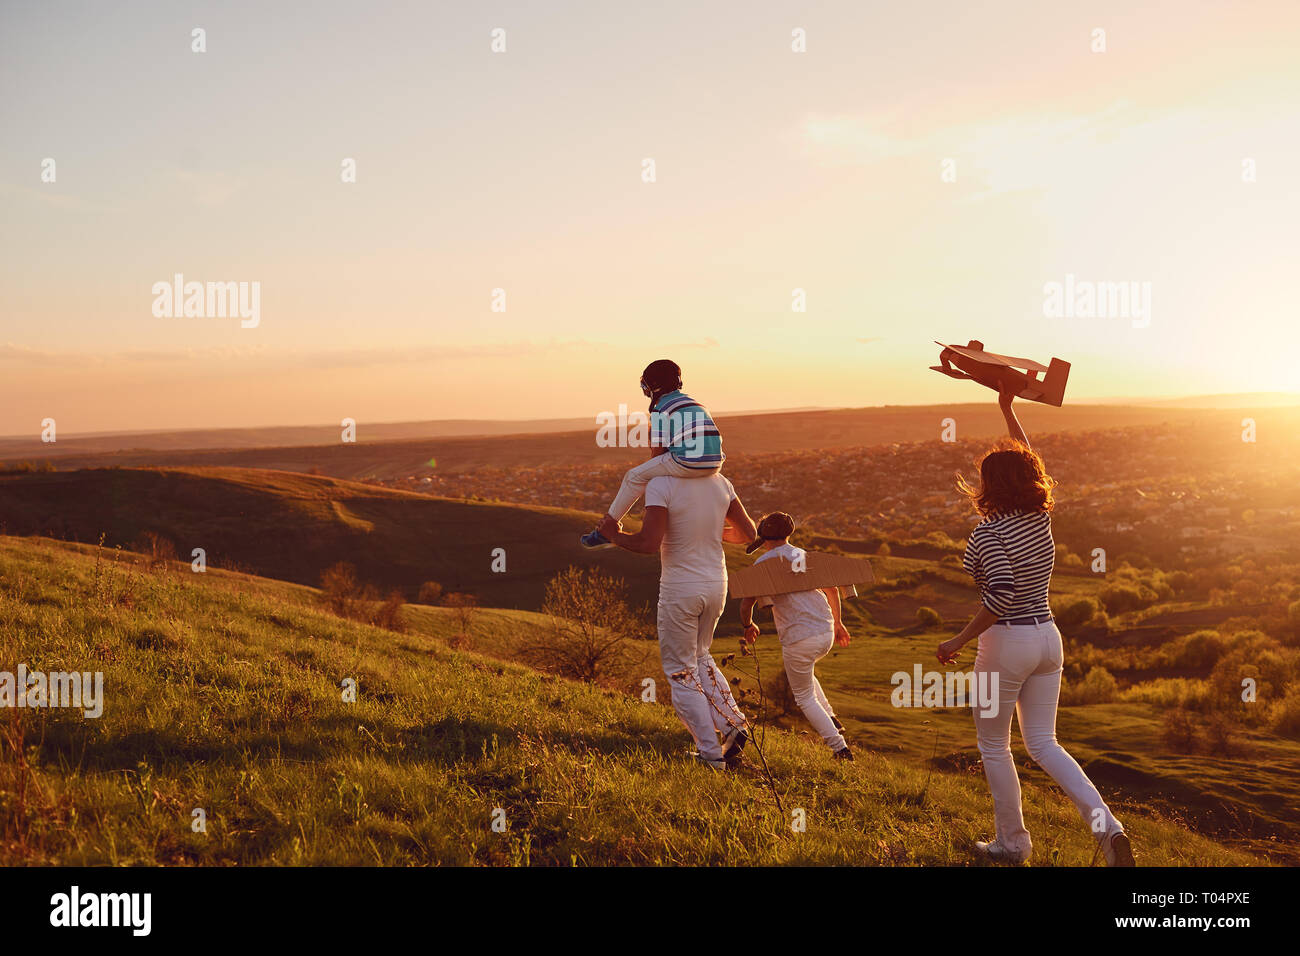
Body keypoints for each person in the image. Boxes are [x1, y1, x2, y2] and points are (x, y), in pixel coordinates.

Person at [937, 383, 1134, 866]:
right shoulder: (1038, 518)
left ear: (988, 487)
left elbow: (1000, 595)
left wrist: (958, 639)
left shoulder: (988, 532)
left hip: (1006, 643)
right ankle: (1109, 830)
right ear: (1029, 480)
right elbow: (1031, 458)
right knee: (1045, 743)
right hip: (1049, 636)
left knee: (993, 745)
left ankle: (1012, 844)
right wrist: (1007, 407)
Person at [598, 470, 756, 769]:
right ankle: (733, 725)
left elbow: (647, 543)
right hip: (716, 585)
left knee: (680, 671)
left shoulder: (662, 483)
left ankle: (711, 756)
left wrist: (613, 536)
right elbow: (749, 534)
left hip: (682, 589)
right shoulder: (720, 481)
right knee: (700, 656)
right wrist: (710, 531)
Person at [737, 512, 854, 759]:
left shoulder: (763, 565)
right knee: (806, 674)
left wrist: (748, 625)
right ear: (789, 533)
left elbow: (746, 604)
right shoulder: (804, 556)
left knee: (803, 697)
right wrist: (839, 623)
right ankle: (832, 717)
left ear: (764, 538)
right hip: (825, 630)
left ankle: (839, 748)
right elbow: (832, 589)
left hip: (799, 637)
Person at [581, 359, 725, 550]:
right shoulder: (697, 404)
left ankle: (605, 529)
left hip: (687, 462)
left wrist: (652, 478)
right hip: (715, 465)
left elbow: (658, 453)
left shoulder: (661, 409)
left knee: (633, 476)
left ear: (654, 385)